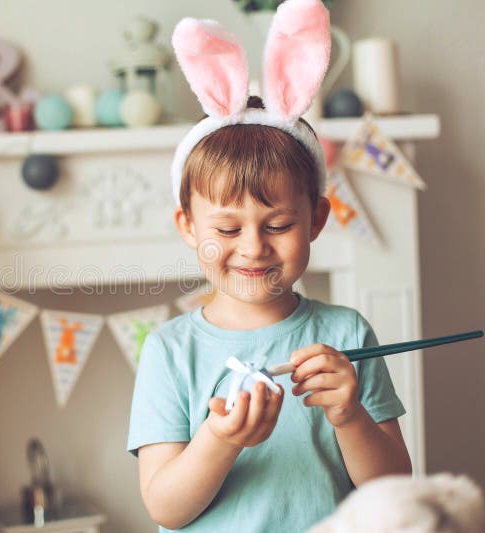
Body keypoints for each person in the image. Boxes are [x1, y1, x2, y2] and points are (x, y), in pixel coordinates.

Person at [127, 1, 411, 531]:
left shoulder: (346, 332)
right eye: (228, 230)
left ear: (317, 219)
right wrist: (221, 439)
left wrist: (349, 416)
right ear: (189, 226)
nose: (254, 248)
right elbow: (164, 506)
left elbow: (394, 488)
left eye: (277, 226)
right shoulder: (169, 350)